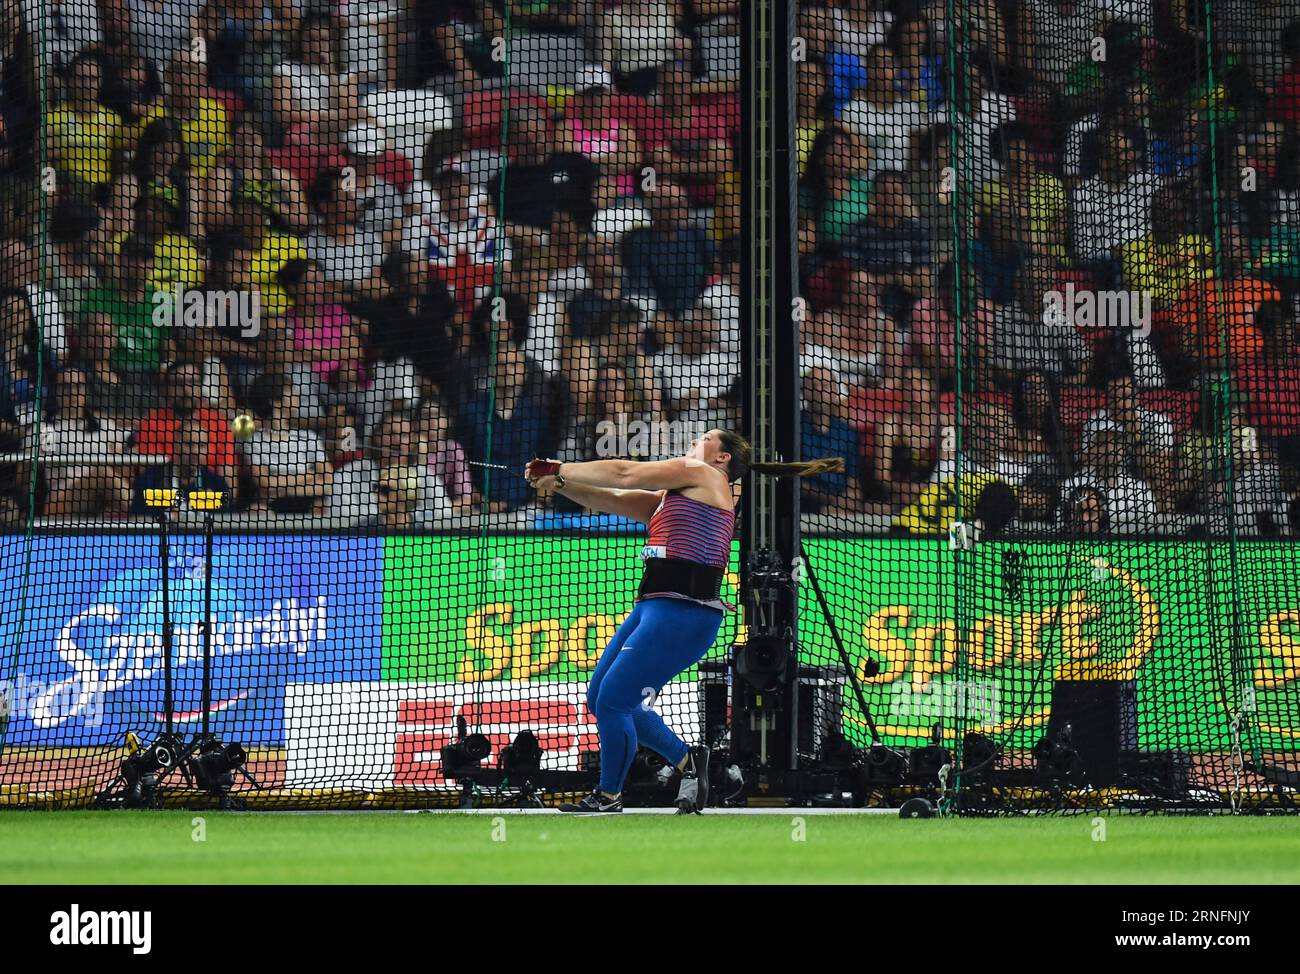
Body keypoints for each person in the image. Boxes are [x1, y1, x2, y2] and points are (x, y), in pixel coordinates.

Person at [525, 431, 835, 813]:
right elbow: (609, 497)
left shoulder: (705, 476)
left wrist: (560, 466)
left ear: (721, 459)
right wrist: (559, 483)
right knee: (600, 698)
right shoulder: (672, 497)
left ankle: (608, 796)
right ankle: (692, 763)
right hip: (654, 608)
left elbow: (623, 473)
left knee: (613, 704)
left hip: (683, 611)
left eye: (705, 438)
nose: (695, 441)